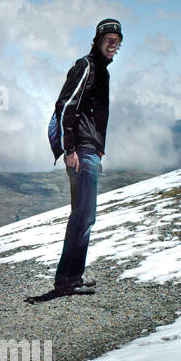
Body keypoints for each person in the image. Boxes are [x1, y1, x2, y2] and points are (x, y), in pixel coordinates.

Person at [50, 18, 122, 294]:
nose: (113, 41)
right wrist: (70, 150)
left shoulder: (101, 72)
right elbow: (65, 105)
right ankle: (67, 280)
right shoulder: (86, 66)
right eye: (108, 37)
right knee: (83, 217)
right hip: (81, 153)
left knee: (82, 216)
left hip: (90, 151)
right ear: (97, 40)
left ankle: (72, 277)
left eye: (117, 39)